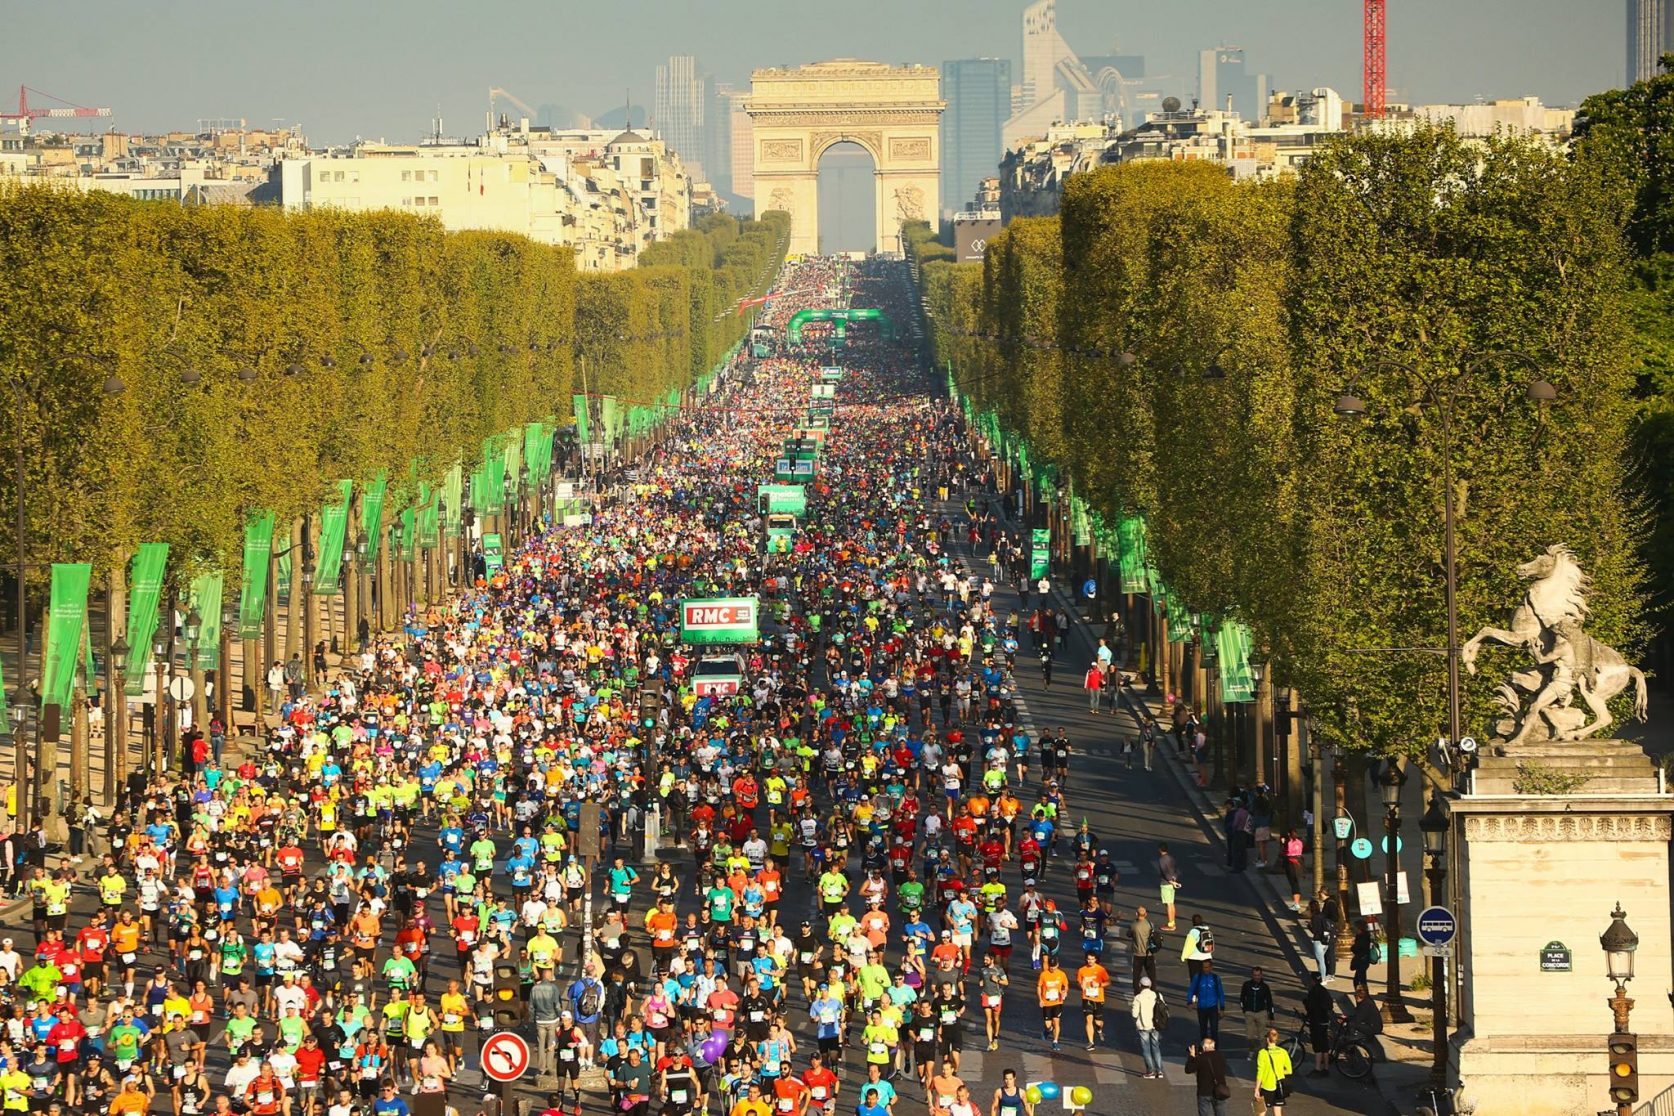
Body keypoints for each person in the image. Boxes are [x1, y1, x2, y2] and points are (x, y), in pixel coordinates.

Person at [1185, 1036, 1233, 1116]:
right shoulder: (1221, 1056)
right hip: (1220, 1090)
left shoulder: (1200, 1058)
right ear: (1213, 1046)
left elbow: (1188, 1069)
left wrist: (1192, 1056)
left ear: (1204, 1047)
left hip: (1204, 1092)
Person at [1131, 976, 1165, 1080]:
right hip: (1156, 1024)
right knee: (1156, 1047)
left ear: (1140, 985)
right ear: (1150, 985)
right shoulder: (1157, 995)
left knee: (1146, 1049)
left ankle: (1150, 1071)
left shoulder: (1138, 997)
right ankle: (1159, 1071)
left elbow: (1134, 1014)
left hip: (1143, 1026)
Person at [1253, 1028, 1295, 1115]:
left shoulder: (1262, 1053)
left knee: (1260, 1111)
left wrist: (1257, 1088)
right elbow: (1289, 1070)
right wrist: (1279, 1072)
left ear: (1267, 1039)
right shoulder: (1283, 1052)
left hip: (1267, 1086)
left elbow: (1260, 1072)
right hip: (1279, 1085)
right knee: (1277, 1112)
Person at [1238, 967, 1276, 1059]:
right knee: (1249, 1036)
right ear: (1252, 975)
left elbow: (1269, 1001)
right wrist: (1245, 1010)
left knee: (1262, 1036)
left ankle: (1263, 1053)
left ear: (1261, 975)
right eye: (1255, 975)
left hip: (1261, 1012)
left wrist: (1271, 1016)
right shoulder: (1246, 985)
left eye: (1258, 975)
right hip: (1249, 1013)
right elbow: (1242, 998)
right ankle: (1251, 1051)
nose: (1257, 977)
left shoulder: (1265, 987)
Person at [1187, 959, 1225, 1042]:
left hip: (1213, 1007)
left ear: (1211, 967)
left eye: (1207, 967)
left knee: (1214, 1031)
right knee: (1203, 1030)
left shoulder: (1215, 978)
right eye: (1204, 967)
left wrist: (1222, 1008)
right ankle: (1204, 1048)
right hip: (1201, 1008)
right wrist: (1189, 1002)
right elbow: (1191, 990)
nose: (1205, 969)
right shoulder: (1197, 977)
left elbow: (1220, 993)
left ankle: (1215, 1048)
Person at [1157, 843, 1179, 930]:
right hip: (1172, 882)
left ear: (1160, 849)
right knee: (1171, 903)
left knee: (1168, 904)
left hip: (1166, 883)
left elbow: (1164, 872)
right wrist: (1174, 879)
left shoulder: (1161, 860)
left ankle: (1170, 925)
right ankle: (1172, 922)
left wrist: (1170, 881)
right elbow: (1175, 869)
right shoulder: (1171, 858)